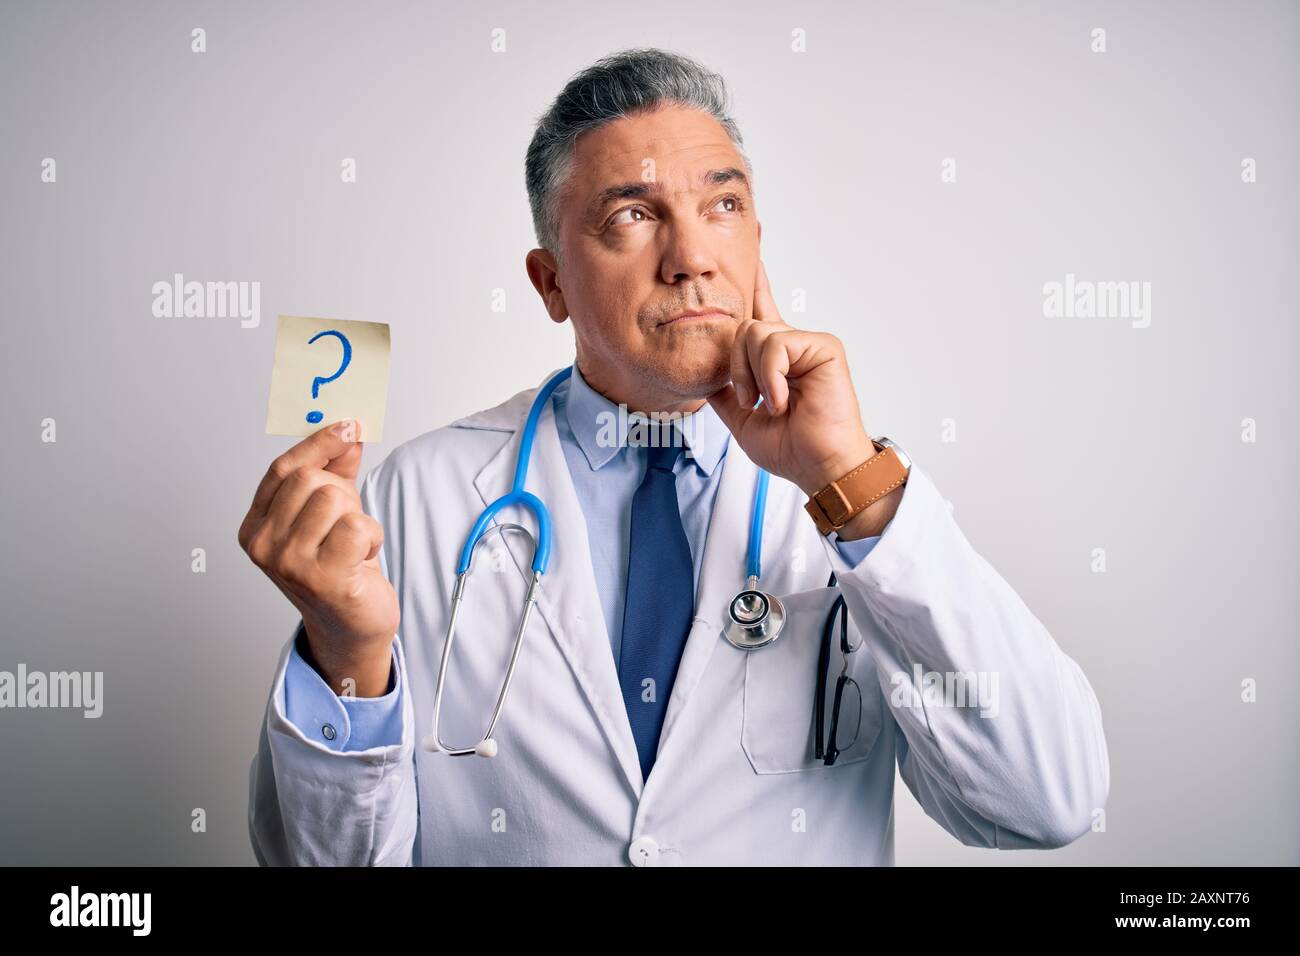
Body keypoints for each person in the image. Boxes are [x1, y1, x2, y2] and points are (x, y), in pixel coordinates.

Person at [240, 48, 1108, 866]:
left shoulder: (857, 490)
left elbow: (1047, 802)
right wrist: (345, 653)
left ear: (756, 242)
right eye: (632, 216)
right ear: (550, 284)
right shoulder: (419, 495)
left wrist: (855, 486)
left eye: (722, 207)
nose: (692, 257)